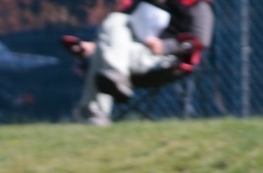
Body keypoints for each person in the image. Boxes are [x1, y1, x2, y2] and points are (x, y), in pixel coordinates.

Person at [63, 0, 214, 126]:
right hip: (128, 55)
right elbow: (117, 36)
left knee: (101, 56)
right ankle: (116, 76)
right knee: (116, 19)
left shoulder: (196, 4)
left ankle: (94, 115)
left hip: (164, 60)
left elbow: (200, 40)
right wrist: (94, 46)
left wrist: (165, 46)